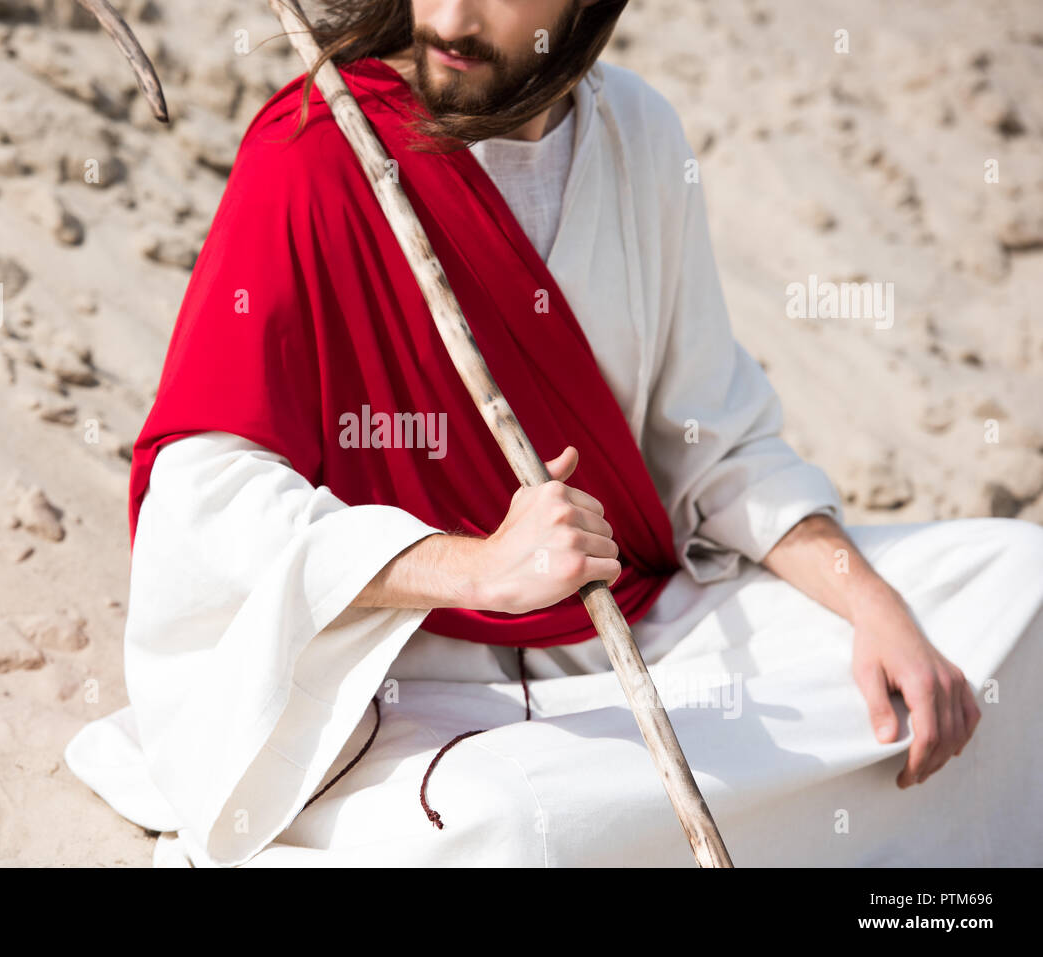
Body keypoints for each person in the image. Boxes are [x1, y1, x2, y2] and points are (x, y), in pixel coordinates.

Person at [65, 0, 1043, 867]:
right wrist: (470, 567)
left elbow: (716, 446)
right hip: (410, 674)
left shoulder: (640, 135)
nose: (445, 20)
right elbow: (203, 490)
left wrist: (870, 607)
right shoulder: (313, 151)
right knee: (514, 827)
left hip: (643, 626)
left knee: (1014, 585)